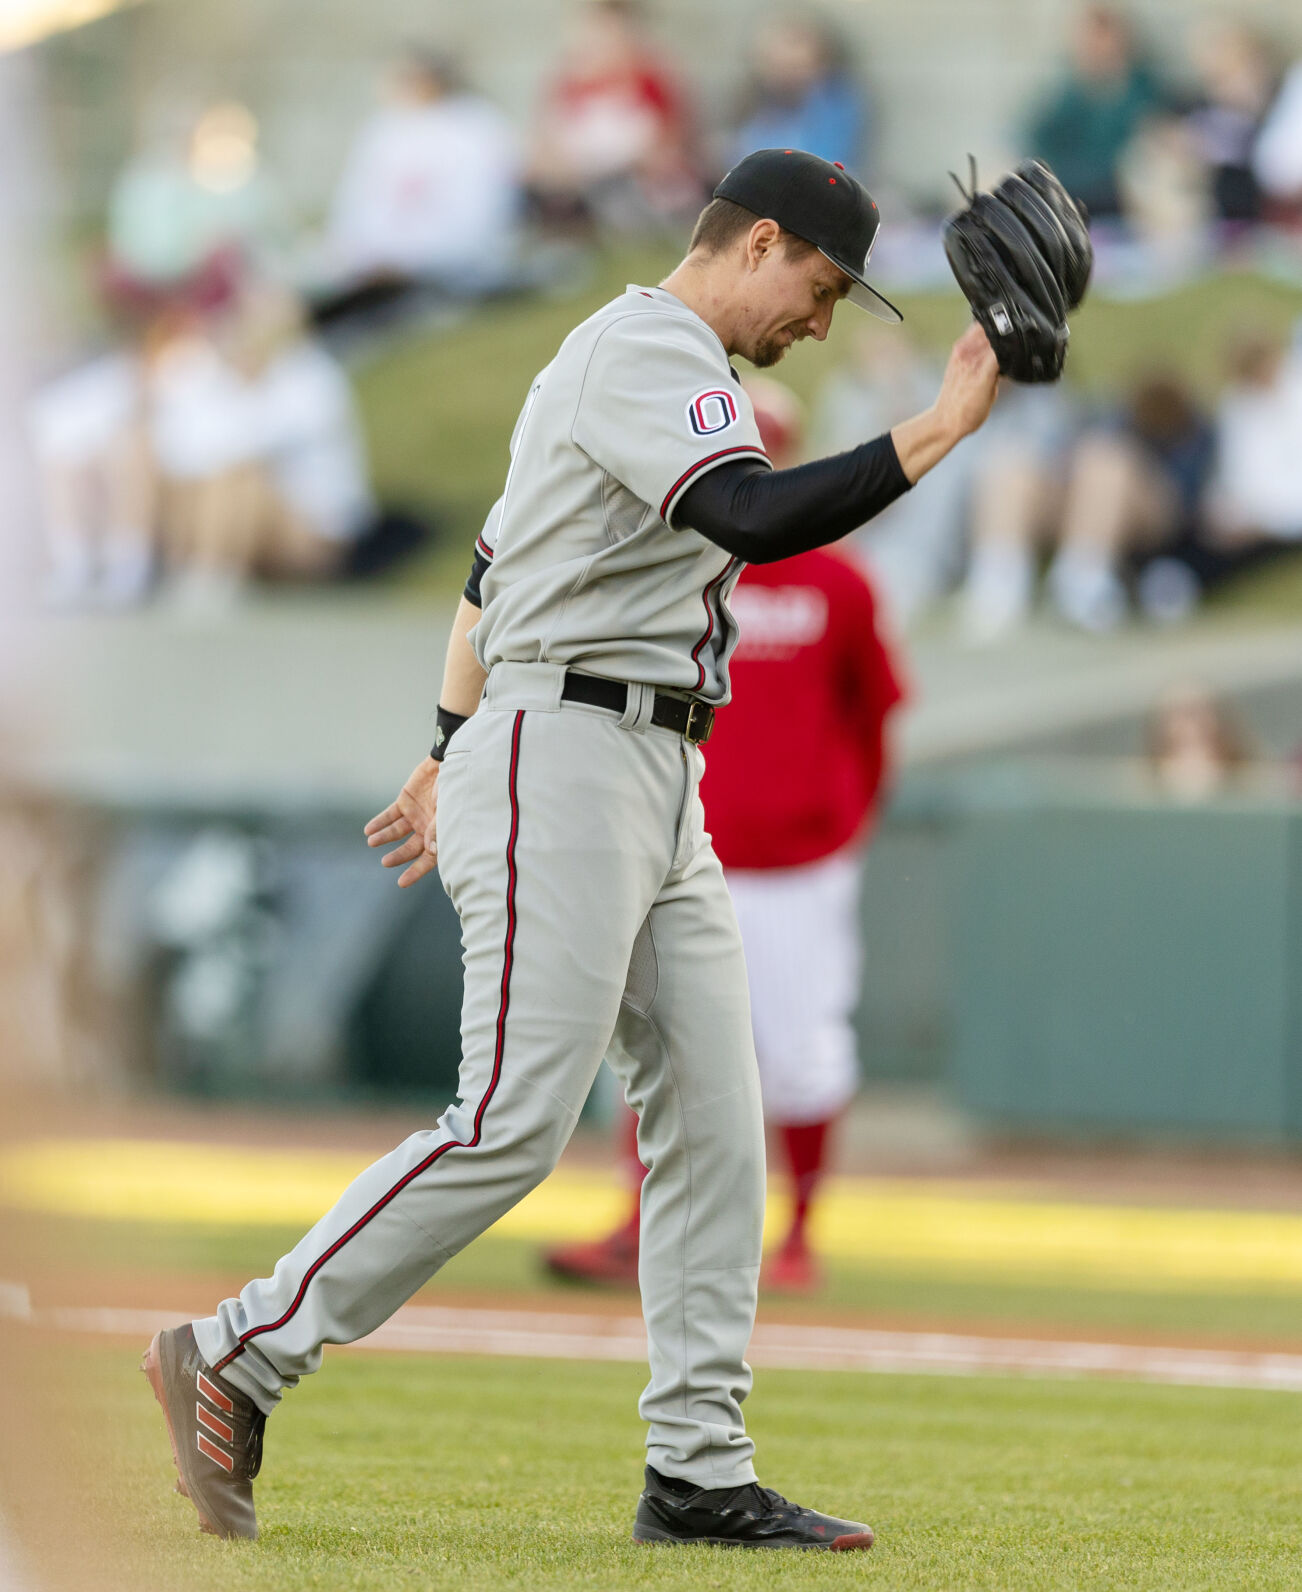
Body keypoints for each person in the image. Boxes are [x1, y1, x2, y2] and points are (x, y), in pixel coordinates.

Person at [141, 147, 998, 1550]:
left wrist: (438, 743)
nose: (821, 322)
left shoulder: (647, 369)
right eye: (823, 287)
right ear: (760, 242)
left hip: (645, 765)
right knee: (511, 1119)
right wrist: (938, 427)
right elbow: (757, 517)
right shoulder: (646, 344)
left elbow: (489, 574)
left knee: (719, 1126)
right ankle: (238, 1350)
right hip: (573, 747)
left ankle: (697, 1468)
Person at [544, 379, 904, 1293]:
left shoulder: (837, 581)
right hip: (681, 842)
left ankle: (801, 1231)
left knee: (798, 1046)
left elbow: (875, 715)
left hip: (796, 860)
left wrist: (846, 825)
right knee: (649, 1041)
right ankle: (639, 1223)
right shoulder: (674, 566)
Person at [318, 49, 521, 309]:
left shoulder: (476, 127)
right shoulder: (382, 130)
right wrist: (358, 254)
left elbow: (480, 214)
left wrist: (409, 260)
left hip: (448, 266)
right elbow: (355, 205)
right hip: (375, 265)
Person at [1023, 5, 1164, 220]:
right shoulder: (1069, 93)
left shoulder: (1142, 92)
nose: (1093, 47)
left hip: (1124, 194)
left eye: (1100, 38)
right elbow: (1036, 138)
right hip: (1068, 189)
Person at [728, 13, 867, 170]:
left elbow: (825, 160)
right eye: (778, 66)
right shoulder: (755, 104)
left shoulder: (835, 104)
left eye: (797, 67)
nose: (787, 77)